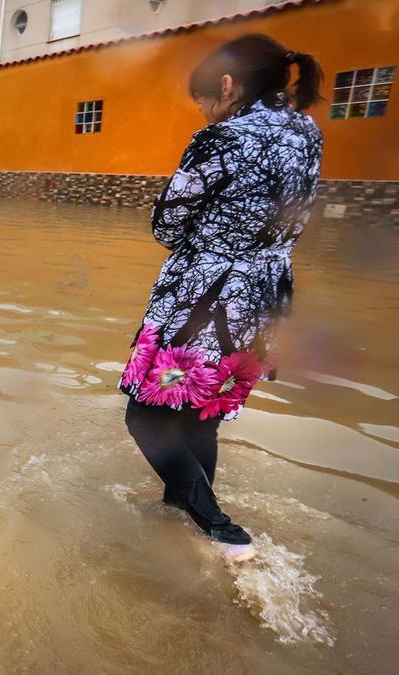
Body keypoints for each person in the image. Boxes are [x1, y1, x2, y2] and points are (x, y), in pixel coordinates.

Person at [119, 34, 323, 563]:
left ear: (227, 86)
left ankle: (219, 529)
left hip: (208, 301)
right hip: (265, 297)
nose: (206, 114)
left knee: (144, 417)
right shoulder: (307, 131)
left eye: (205, 101)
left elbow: (168, 223)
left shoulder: (221, 138)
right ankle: (179, 512)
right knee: (199, 415)